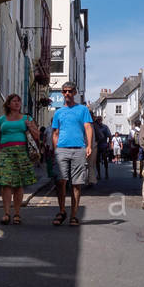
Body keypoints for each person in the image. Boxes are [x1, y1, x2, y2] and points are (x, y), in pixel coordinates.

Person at [0, 94, 40, 225]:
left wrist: (30, 126)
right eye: (14, 101)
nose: (17, 103)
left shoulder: (27, 118)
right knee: (6, 183)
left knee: (18, 184)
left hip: (21, 153)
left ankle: (17, 213)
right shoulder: (1, 120)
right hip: (5, 153)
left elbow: (37, 135)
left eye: (19, 101)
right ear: (8, 104)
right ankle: (7, 213)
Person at [50, 82, 92, 227]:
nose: (67, 93)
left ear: (75, 93)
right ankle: (62, 211)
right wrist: (56, 149)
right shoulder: (58, 112)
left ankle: (74, 215)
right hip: (61, 149)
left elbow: (88, 126)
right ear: (62, 93)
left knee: (76, 184)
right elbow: (55, 133)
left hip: (79, 148)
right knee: (61, 181)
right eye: (64, 91)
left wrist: (89, 145)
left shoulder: (82, 110)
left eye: (70, 91)